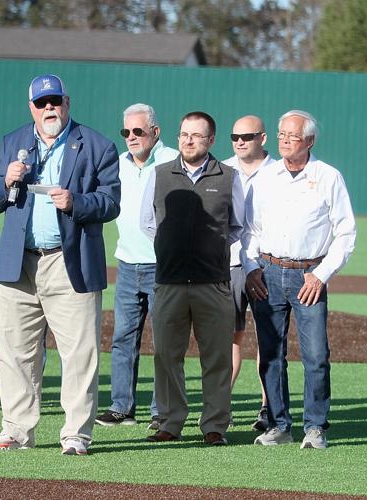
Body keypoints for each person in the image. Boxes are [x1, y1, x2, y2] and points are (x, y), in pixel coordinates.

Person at [0, 74, 120, 456]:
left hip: (67, 259)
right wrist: (6, 179)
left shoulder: (96, 145)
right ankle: (16, 430)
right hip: (20, 263)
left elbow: (110, 203)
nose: (49, 109)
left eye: (55, 101)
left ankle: (76, 433)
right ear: (31, 107)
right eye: (41, 103)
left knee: (78, 353)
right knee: (15, 351)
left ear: (67, 102)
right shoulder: (14, 142)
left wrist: (77, 202)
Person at [243, 110, 356, 449]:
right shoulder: (265, 177)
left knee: (316, 355)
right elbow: (250, 229)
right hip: (268, 272)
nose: (284, 140)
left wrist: (321, 276)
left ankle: (316, 427)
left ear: (310, 141)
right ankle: (279, 425)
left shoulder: (328, 176)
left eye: (292, 136)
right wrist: (251, 268)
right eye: (280, 134)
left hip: (310, 275)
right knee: (270, 353)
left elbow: (346, 232)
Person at [139, 111, 244, 446]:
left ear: (210, 140)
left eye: (196, 135)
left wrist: (209, 248)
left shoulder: (229, 176)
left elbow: (238, 225)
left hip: (212, 282)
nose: (188, 140)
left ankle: (215, 425)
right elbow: (147, 222)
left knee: (216, 358)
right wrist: (174, 247)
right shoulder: (159, 174)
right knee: (167, 357)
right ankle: (170, 421)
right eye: (184, 134)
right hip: (168, 282)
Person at [95, 103, 177, 430]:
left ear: (155, 132)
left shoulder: (173, 160)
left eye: (138, 131)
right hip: (127, 262)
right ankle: (121, 407)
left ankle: (161, 411)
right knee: (123, 338)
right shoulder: (117, 165)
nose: (131, 137)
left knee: (164, 341)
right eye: (126, 132)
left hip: (163, 266)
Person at [221, 115, 274, 432]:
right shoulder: (223, 169)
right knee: (230, 337)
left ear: (263, 138)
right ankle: (221, 406)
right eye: (235, 136)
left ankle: (269, 407)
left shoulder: (279, 172)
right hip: (227, 263)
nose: (240, 141)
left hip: (267, 264)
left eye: (248, 136)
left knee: (269, 339)